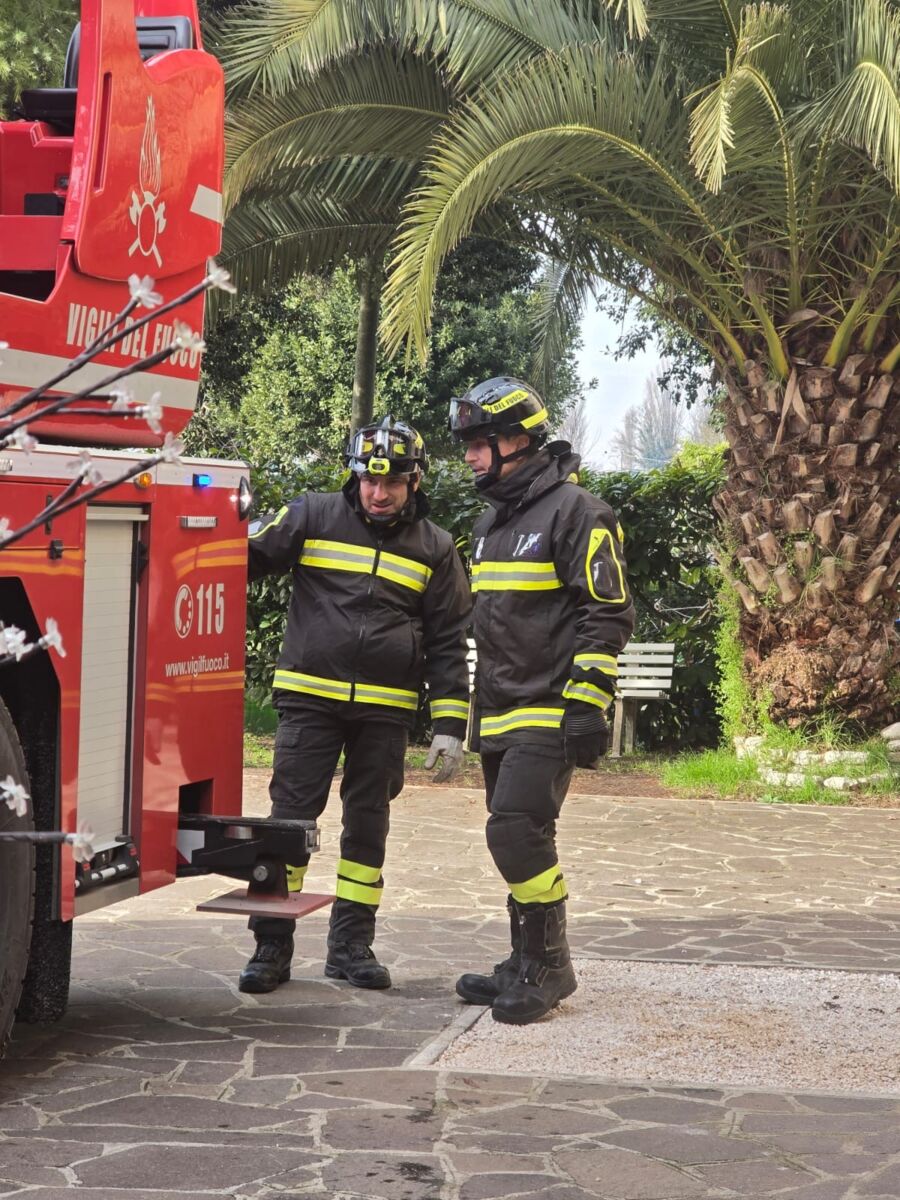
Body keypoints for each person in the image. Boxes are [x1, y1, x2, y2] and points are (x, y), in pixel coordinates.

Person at [239, 416, 472, 994]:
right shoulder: (312, 514)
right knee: (289, 825)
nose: (379, 492)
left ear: (415, 481)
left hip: (385, 711)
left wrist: (449, 724)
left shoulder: (437, 549)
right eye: (369, 480)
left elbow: (448, 642)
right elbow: (242, 558)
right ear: (354, 475)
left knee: (367, 832)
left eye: (393, 482)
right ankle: (271, 948)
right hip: (309, 702)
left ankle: (350, 948)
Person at [449, 377, 635, 1025]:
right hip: (498, 713)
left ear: (516, 439)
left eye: (477, 443)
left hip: (549, 711)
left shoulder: (579, 512)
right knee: (526, 834)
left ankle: (552, 965)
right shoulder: (490, 522)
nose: (469, 456)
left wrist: (588, 703)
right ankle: (522, 960)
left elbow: (605, 614)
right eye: (465, 444)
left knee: (514, 832)